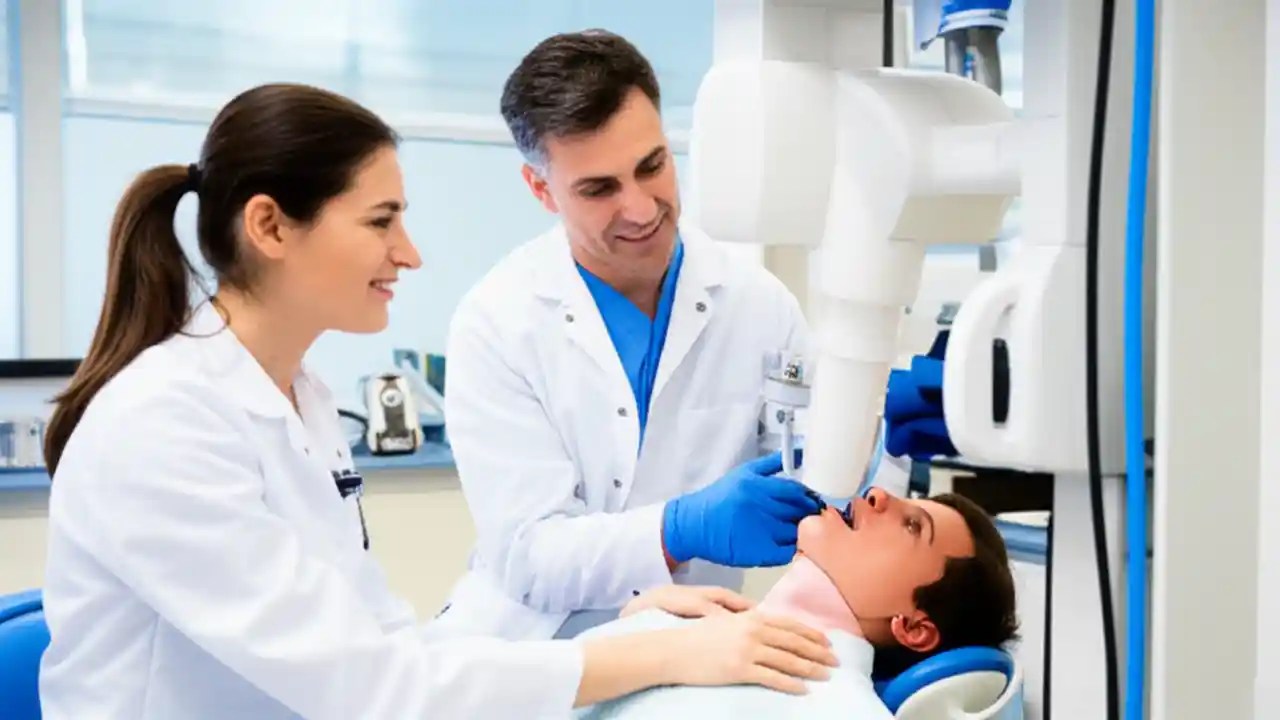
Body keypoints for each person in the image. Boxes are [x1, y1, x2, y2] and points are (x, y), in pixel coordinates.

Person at [36, 82, 841, 720]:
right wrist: (656, 653)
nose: (410, 254)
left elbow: (382, 643)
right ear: (271, 228)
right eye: (381, 221)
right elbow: (376, 688)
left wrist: (630, 632)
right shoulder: (161, 427)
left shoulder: (301, 404)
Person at [438, 29, 819, 642]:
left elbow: (807, 467)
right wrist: (678, 528)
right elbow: (529, 555)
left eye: (653, 166)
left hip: (690, 652)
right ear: (541, 189)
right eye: (599, 189)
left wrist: (874, 436)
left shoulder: (759, 304)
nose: (642, 209)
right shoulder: (497, 323)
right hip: (527, 656)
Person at [573, 487, 1021, 717]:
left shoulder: (840, 711)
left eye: (912, 527)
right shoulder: (676, 620)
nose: (877, 495)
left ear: (913, 627)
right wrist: (638, 628)